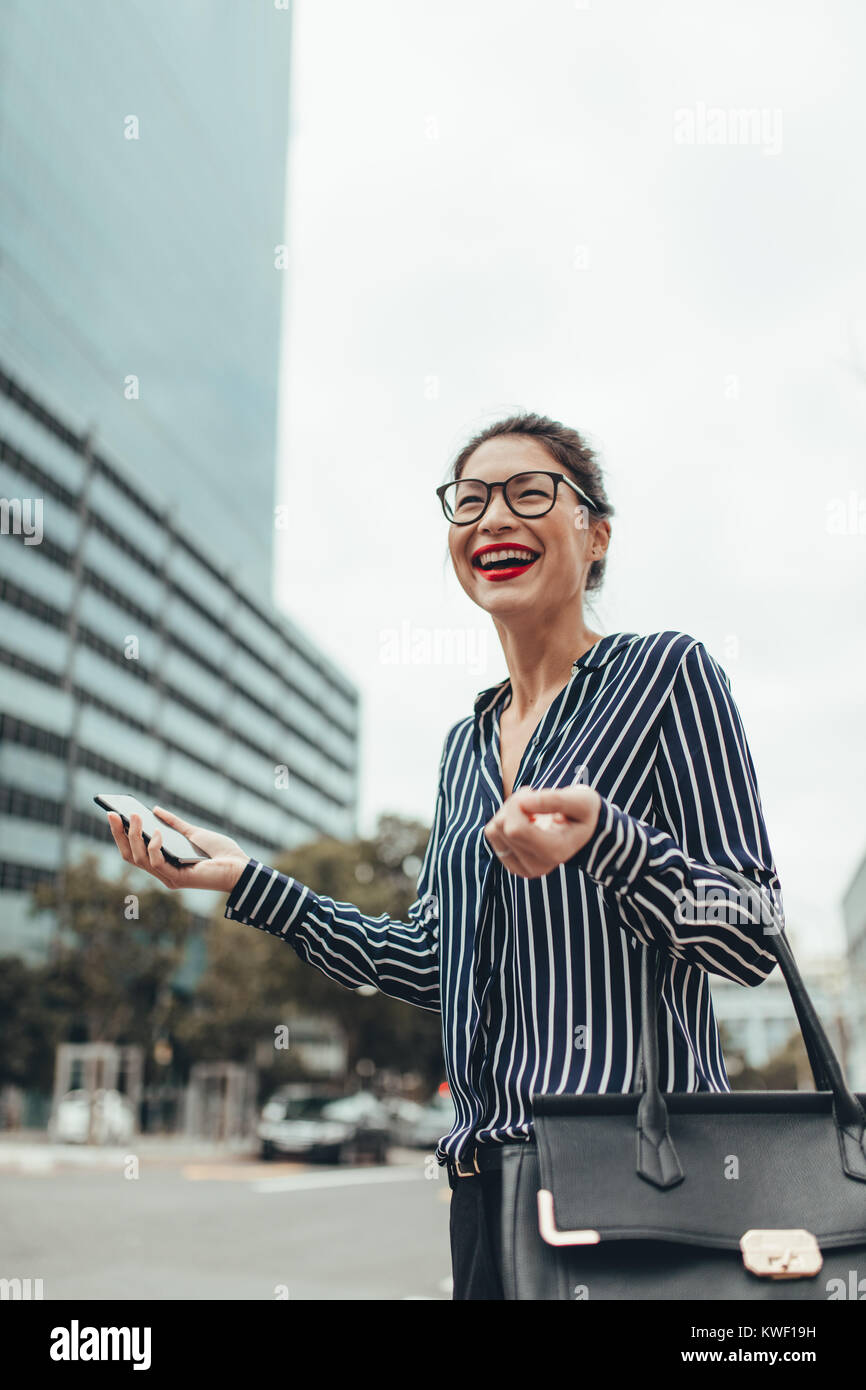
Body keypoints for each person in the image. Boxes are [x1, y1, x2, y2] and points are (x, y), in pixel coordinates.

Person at [105, 412, 783, 1301]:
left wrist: (610, 843)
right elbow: (435, 960)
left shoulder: (669, 677)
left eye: (530, 493)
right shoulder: (463, 749)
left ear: (597, 533)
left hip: (640, 1177)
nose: (493, 518)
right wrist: (247, 883)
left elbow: (751, 932)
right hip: (483, 1191)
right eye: (470, 501)